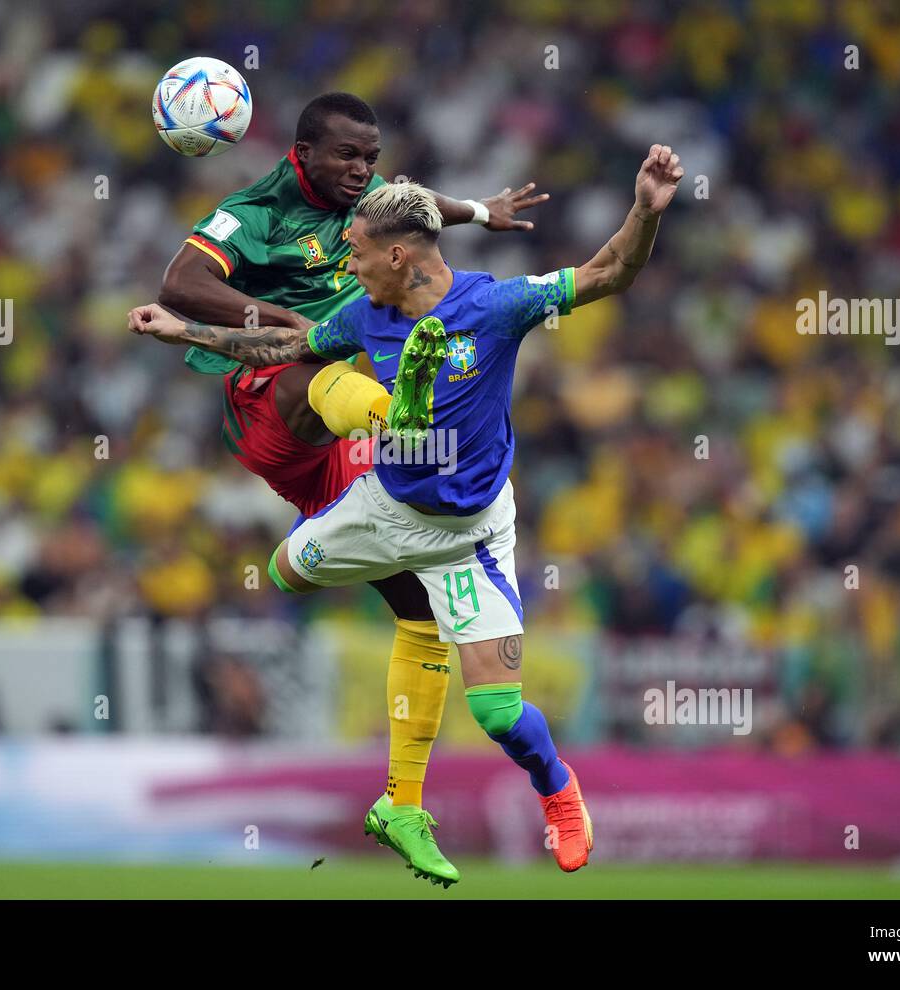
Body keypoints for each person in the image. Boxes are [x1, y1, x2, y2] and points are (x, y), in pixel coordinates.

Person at [129, 143, 684, 872]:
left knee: (498, 715)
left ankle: (559, 790)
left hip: (469, 535)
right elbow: (285, 344)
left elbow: (611, 270)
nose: (346, 268)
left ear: (397, 255)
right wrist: (186, 331)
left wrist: (643, 209)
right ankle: (393, 422)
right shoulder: (367, 316)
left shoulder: (495, 305)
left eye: (355, 254)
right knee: (282, 571)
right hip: (384, 506)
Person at [154, 91, 549, 886]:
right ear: (303, 151)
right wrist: (276, 323)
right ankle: (394, 415)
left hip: (346, 430)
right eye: (347, 157)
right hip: (278, 399)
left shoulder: (369, 204)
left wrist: (478, 209)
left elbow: (412, 204)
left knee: (423, 609)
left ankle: (402, 803)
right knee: (323, 364)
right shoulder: (255, 211)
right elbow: (180, 284)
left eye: (370, 158)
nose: (362, 171)